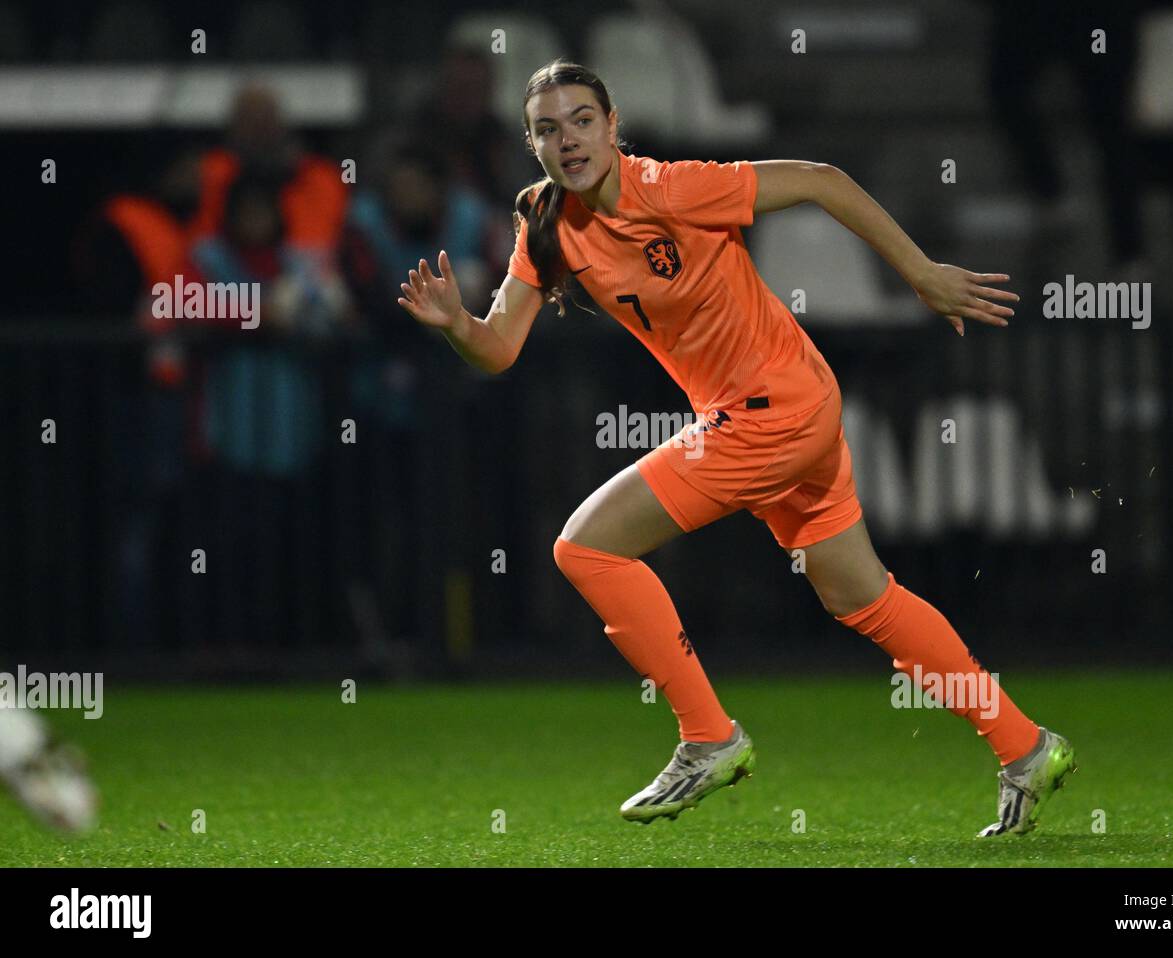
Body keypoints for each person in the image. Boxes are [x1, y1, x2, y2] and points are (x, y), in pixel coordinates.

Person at [397, 60, 1077, 837]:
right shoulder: (546, 227)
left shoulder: (674, 188)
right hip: (788, 404)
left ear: (613, 127)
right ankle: (1026, 748)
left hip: (772, 412)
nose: (569, 138)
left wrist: (920, 274)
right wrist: (457, 325)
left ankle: (708, 736)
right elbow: (499, 349)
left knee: (586, 550)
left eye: (583, 120)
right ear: (533, 145)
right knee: (862, 597)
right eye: (549, 128)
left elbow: (822, 180)